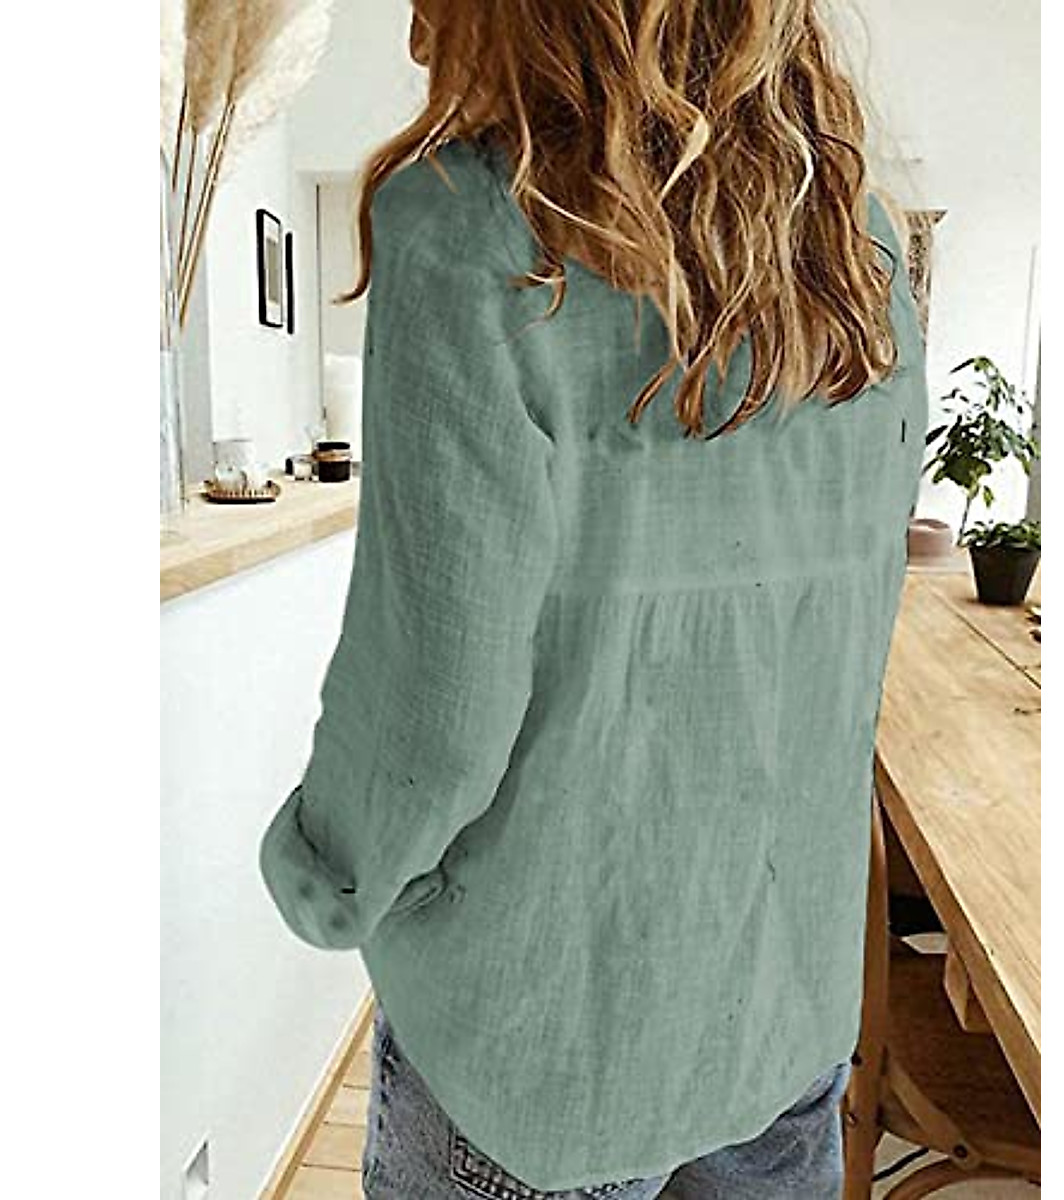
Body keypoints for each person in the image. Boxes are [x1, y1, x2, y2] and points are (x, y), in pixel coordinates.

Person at [259, 0, 928, 1195]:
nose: (415, 27)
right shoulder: (853, 244)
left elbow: (430, 710)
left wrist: (324, 872)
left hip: (545, 1032)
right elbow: (846, 637)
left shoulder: (471, 231)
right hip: (781, 1012)